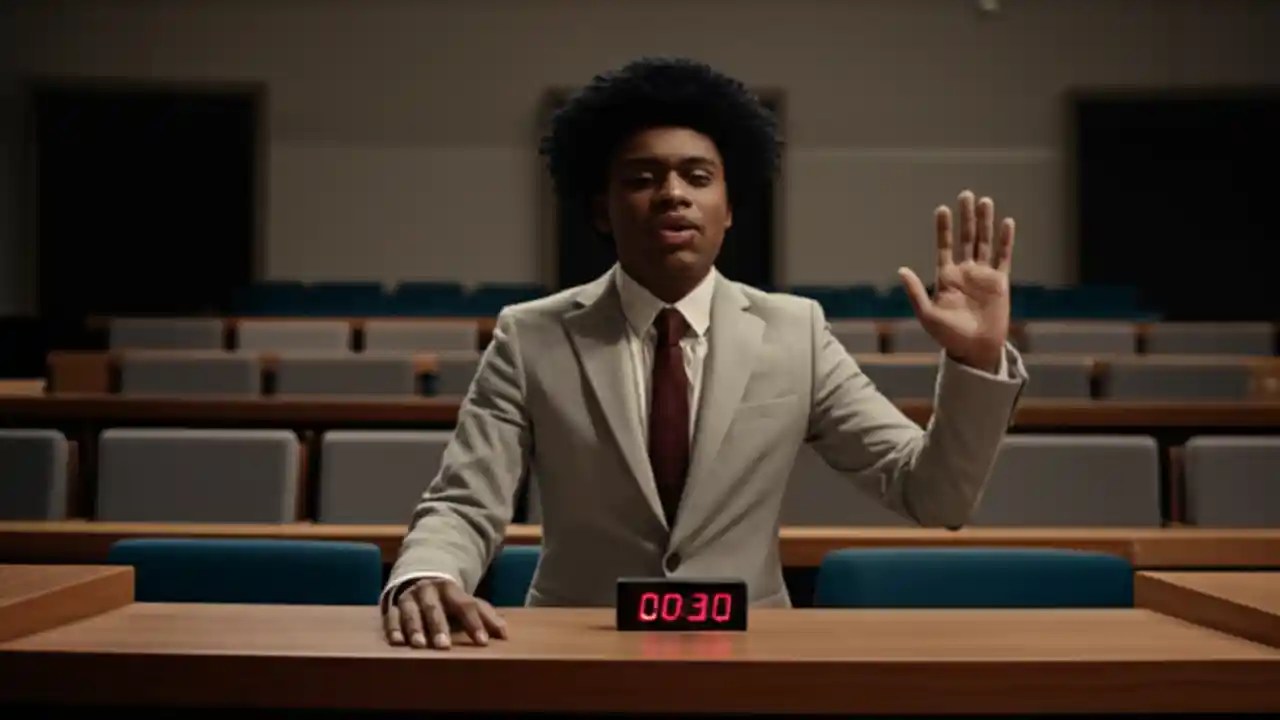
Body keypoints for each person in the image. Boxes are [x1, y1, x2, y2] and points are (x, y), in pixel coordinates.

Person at [383, 57, 1027, 650]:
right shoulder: (530, 335)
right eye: (641, 178)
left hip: (751, 654)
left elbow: (934, 496)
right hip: (576, 647)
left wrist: (976, 363)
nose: (671, 193)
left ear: (729, 208)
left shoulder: (795, 332)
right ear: (601, 209)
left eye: (697, 176)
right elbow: (465, 503)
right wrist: (426, 574)